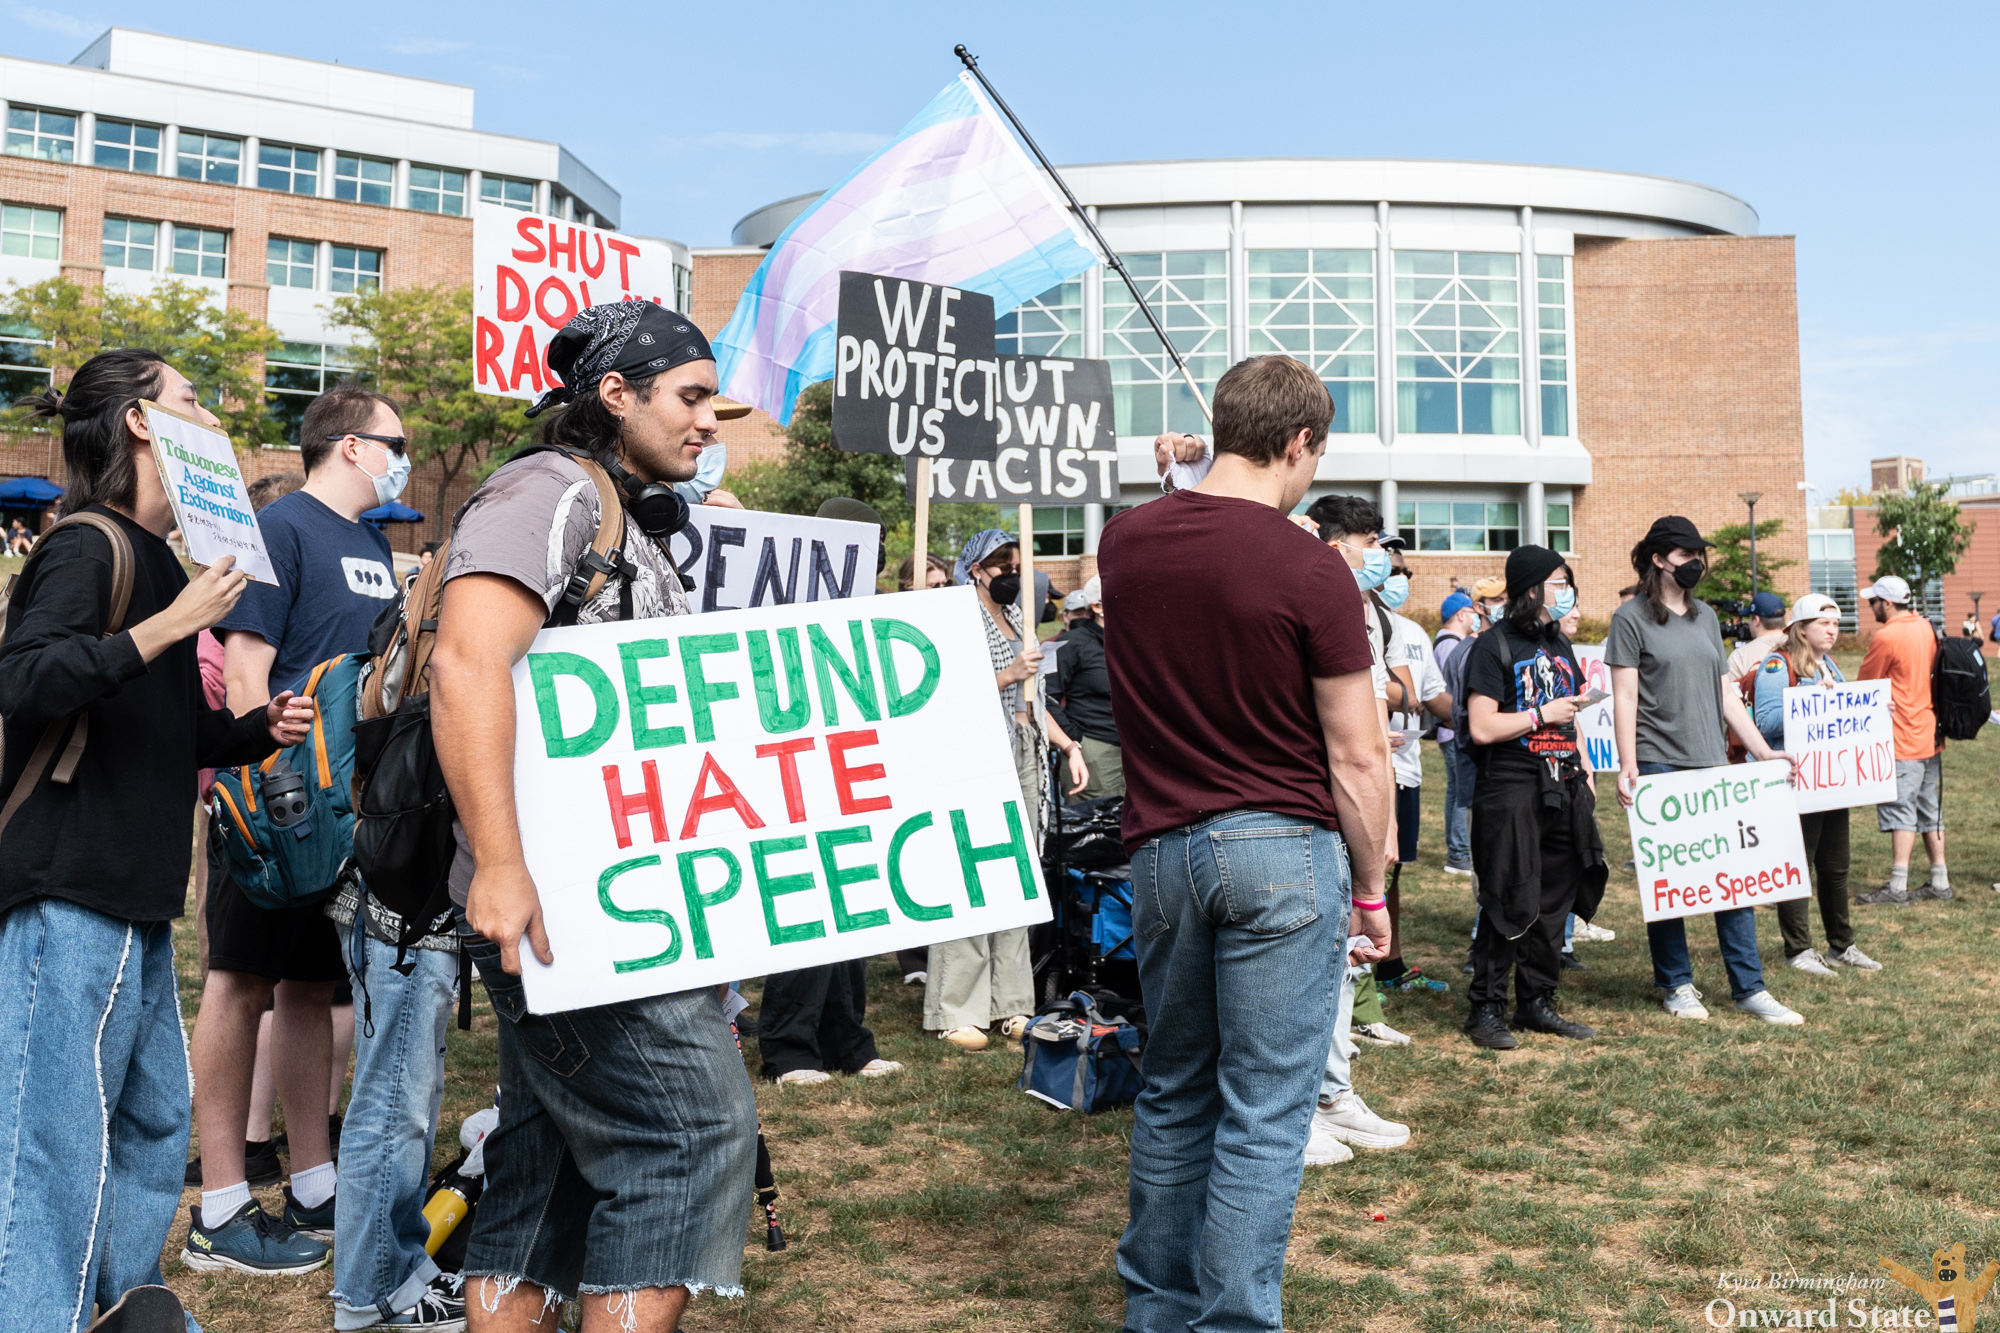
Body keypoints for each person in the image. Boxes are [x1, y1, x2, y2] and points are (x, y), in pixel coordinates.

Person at [430, 303, 758, 1332]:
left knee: (546, 1171)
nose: (707, 422)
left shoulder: (622, 511)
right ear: (615, 394)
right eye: (690, 397)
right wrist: (499, 862)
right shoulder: (552, 488)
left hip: (603, 903)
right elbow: (466, 659)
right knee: (690, 1138)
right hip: (563, 907)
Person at [0, 350, 312, 1327]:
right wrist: (167, 626)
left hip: (135, 896)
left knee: (150, 1121)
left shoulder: (166, 562)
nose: (210, 418)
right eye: (190, 400)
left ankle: (118, 1307)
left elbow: (166, 729)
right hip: (66, 888)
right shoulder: (86, 546)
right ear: (141, 422)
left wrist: (257, 729)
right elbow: (24, 680)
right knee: (52, 1140)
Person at [1111, 358, 1389, 1330]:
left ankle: (1157, 1311)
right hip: (1280, 845)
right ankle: (1231, 1320)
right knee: (1266, 1110)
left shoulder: (1126, 541)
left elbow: (1191, 529)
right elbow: (1359, 754)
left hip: (1161, 850)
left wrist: (1188, 467)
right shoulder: (1309, 565)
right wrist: (1371, 889)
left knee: (1174, 1091)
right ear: (1299, 442)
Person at [188, 384, 415, 1280]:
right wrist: (269, 788)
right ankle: (220, 1201)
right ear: (351, 444)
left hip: (342, 815)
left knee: (312, 989)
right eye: (396, 441)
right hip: (274, 810)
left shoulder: (372, 545)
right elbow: (247, 668)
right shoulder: (279, 528)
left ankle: (314, 1181)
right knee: (239, 981)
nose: (403, 457)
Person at [1609, 515, 1804, 1027]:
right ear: (1658, 559)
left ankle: (1750, 988)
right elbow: (1624, 697)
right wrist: (1628, 763)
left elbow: (1725, 694)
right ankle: (1676, 984)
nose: (1696, 563)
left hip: (1712, 763)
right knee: (1669, 884)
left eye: (1700, 555)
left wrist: (1762, 752)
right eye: (1686, 554)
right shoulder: (1630, 618)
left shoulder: (1707, 618)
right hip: (1657, 762)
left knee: (1733, 882)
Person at [753, 500, 904, 1087]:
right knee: (807, 911)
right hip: (798, 771)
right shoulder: (784, 606)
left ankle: (849, 1043)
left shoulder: (872, 609)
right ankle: (789, 1050)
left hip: (854, 772)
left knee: (854, 910)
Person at [925, 530, 1089, 1051]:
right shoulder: (954, 618)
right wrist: (1007, 674)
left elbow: (1034, 696)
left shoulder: (1020, 618)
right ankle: (957, 1007)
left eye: (1016, 564)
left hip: (1025, 748)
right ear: (975, 568)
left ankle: (1012, 1002)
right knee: (971, 870)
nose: (1011, 574)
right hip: (975, 753)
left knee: (1015, 874)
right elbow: (941, 691)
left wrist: (1068, 745)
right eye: (1001, 564)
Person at [1460, 547, 1606, 1047]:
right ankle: (1486, 1008)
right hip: (1511, 784)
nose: (1568, 591)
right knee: (1510, 894)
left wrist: (1586, 773)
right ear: (1531, 588)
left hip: (1563, 782)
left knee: (1554, 898)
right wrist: (1542, 715)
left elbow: (1574, 715)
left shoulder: (1559, 643)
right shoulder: (1493, 645)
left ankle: (1537, 1002)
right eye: (1559, 582)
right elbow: (1482, 727)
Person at [1750, 594, 1881, 973]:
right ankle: (1798, 949)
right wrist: (1812, 699)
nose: (1832, 630)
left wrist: (1873, 709)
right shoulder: (1778, 664)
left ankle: (1842, 945)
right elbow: (1765, 721)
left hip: (1831, 782)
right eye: (1824, 623)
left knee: (1835, 866)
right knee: (1797, 865)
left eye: (1836, 624)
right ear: (1801, 628)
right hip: (1795, 782)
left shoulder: (1830, 664)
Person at [1854, 574, 1949, 904]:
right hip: (1930, 733)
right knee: (1930, 809)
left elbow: (1865, 684)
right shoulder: (1926, 627)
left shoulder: (1887, 635)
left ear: (1887, 603)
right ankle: (1940, 881)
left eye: (1873, 602)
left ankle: (1897, 887)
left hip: (1902, 736)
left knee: (1901, 810)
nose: (1871, 608)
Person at [1049, 575, 1123, 800]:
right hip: (1093, 752)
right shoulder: (1071, 643)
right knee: (1095, 821)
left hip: (1134, 754)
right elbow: (1046, 697)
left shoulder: (1128, 641)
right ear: (1097, 607)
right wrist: (1076, 740)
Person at [1433, 591, 1480, 876]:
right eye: (1472, 612)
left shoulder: (1444, 642)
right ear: (1461, 615)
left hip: (1448, 730)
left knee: (1454, 792)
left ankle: (1456, 851)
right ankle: (1460, 853)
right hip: (1454, 730)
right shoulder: (1452, 646)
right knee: (1463, 793)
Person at [1725, 591, 1788, 681]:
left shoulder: (1740, 656)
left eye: (1750, 619)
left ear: (1756, 620)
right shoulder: (1802, 646)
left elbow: (1729, 689)